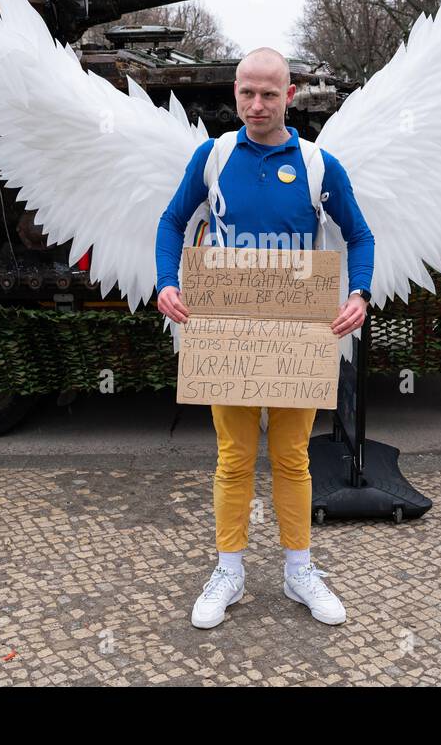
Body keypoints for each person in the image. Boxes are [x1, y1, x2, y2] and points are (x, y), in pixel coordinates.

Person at [155, 47, 375, 630]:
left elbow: (360, 235)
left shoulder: (319, 164)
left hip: (297, 332)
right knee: (232, 458)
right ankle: (229, 570)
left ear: (290, 96)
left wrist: (359, 294)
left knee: (291, 458)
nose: (257, 104)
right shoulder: (213, 156)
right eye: (248, 93)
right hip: (229, 330)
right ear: (234, 92)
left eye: (269, 94)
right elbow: (172, 220)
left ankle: (298, 570)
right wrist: (166, 282)